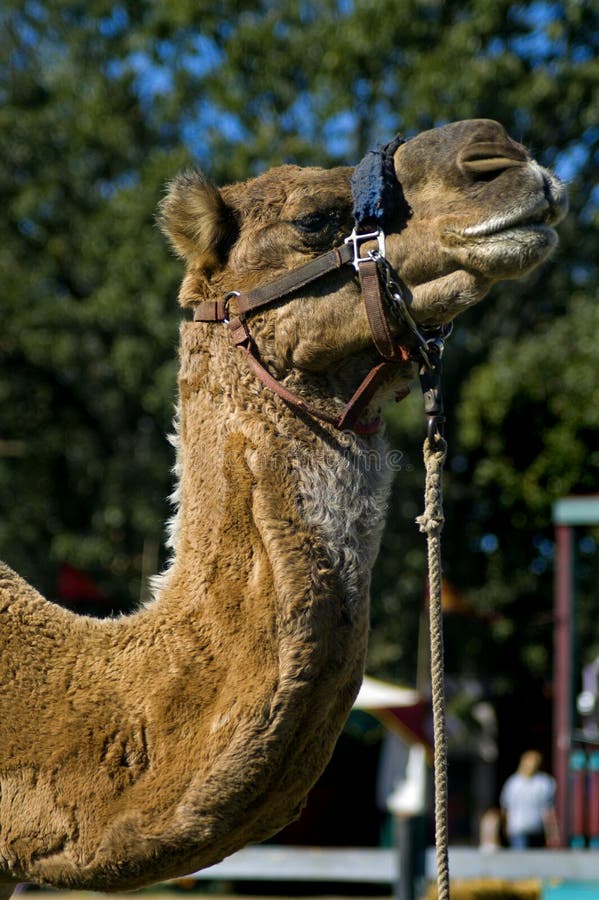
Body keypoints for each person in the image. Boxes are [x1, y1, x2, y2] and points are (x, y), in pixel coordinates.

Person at [500, 750, 559, 848]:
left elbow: (549, 810)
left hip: (537, 828)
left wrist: (552, 832)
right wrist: (505, 826)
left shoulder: (544, 782)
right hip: (518, 828)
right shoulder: (513, 783)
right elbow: (506, 807)